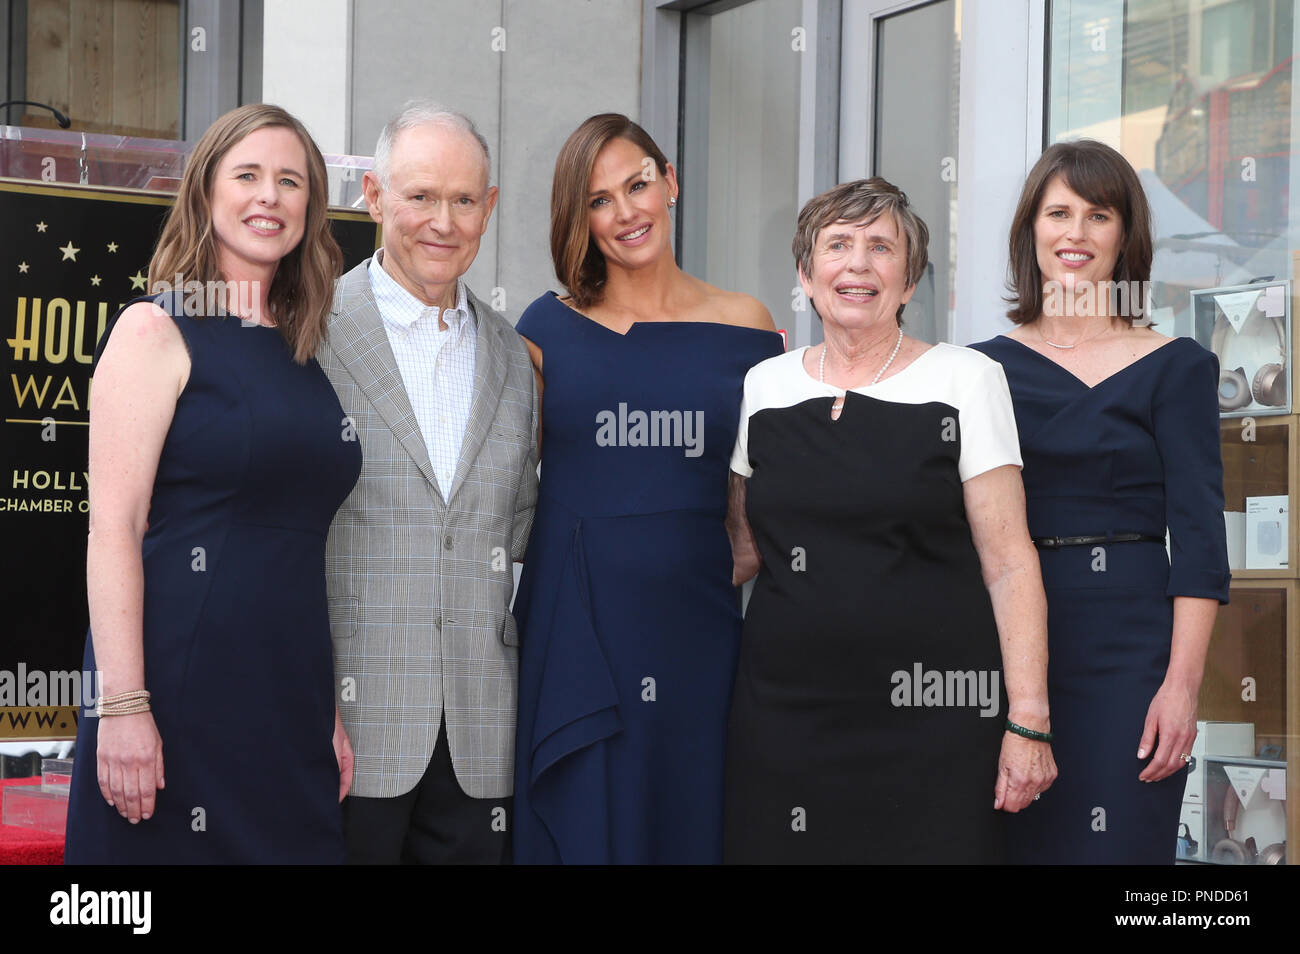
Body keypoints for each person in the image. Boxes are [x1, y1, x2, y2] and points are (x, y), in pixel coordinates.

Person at [724, 178, 1057, 864]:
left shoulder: (967, 379)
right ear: (805, 274)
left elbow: (1010, 560)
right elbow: (743, 548)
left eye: (882, 247)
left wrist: (1029, 722)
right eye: (838, 245)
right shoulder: (765, 387)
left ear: (909, 280)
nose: (858, 264)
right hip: (786, 720)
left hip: (933, 720)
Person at [64, 104, 358, 863]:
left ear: (309, 207)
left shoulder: (305, 356)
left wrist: (322, 711)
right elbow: (113, 532)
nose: (270, 196)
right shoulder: (153, 332)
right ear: (204, 193)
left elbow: (299, 547)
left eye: (290, 181)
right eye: (248, 175)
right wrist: (123, 706)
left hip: (284, 704)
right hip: (173, 697)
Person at [511, 113, 783, 864]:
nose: (626, 211)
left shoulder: (749, 326)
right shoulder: (544, 328)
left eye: (637, 184)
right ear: (579, 217)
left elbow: (752, 494)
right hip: (578, 623)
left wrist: (724, 549)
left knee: (690, 814)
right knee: (588, 814)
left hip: (698, 626)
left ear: (671, 182)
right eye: (600, 200)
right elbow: (509, 485)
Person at [971, 140, 1230, 864]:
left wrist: (1182, 687)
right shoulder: (979, 369)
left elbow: (1202, 540)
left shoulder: (1177, 366)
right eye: (1058, 213)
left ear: (1126, 235)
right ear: (1031, 230)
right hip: (1006, 646)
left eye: (1098, 215)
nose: (1076, 234)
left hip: (1131, 651)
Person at [319, 100, 538, 865]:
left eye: (464, 199)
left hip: (483, 741)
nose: (443, 221)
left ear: (490, 207)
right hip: (348, 732)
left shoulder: (516, 358)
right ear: (375, 197)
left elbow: (513, 531)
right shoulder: (309, 329)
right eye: (419, 196)